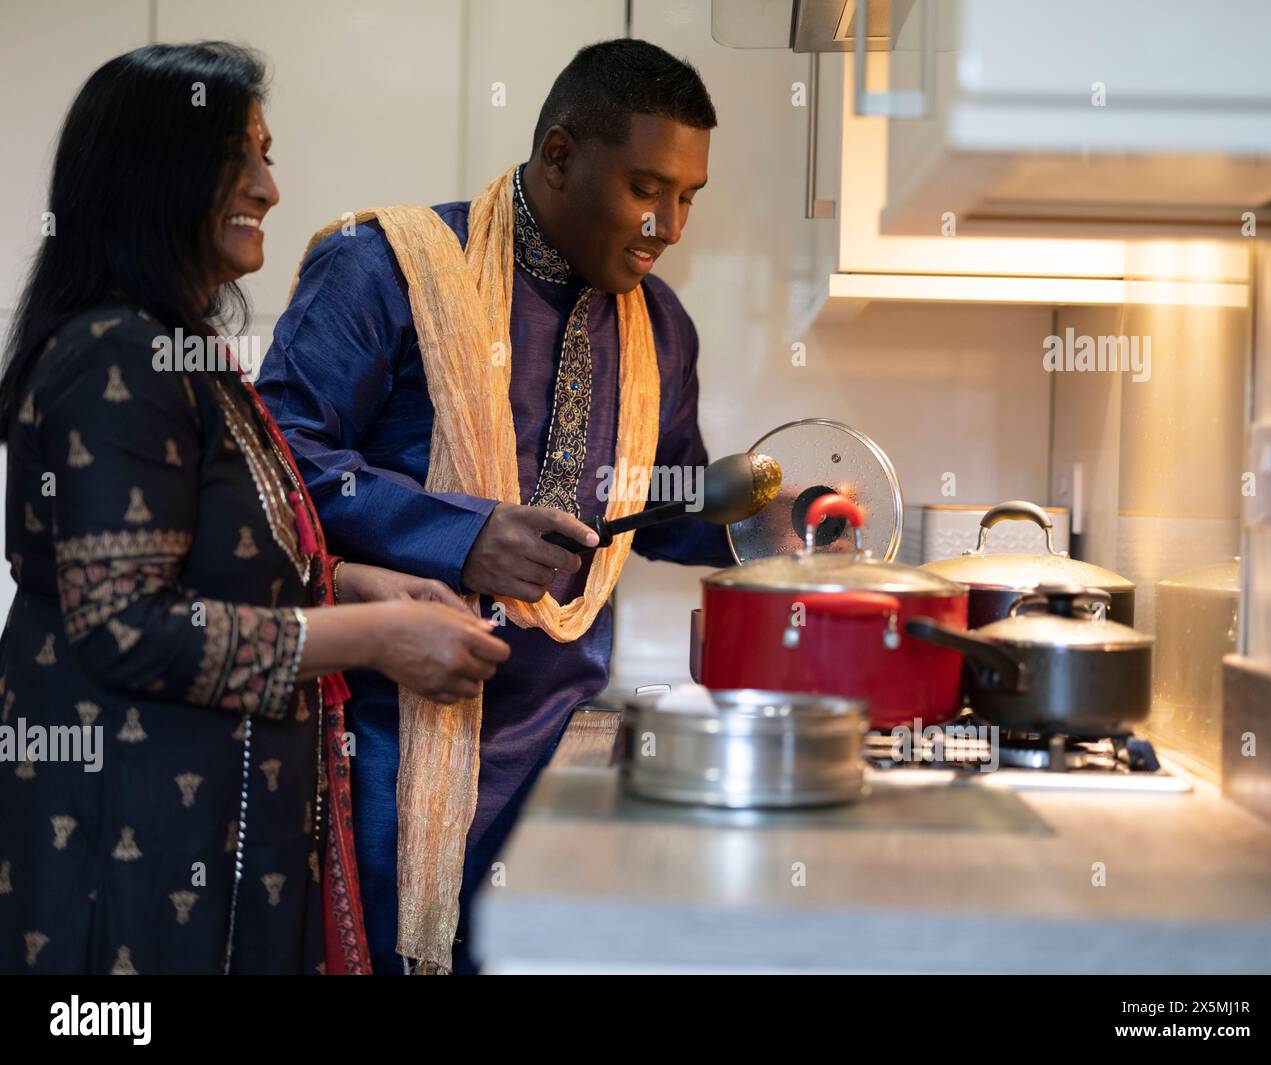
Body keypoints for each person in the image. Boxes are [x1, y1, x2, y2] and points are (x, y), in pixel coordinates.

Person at [0, 42, 508, 975]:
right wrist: (379, 638)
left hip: (197, 841)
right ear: (155, 177)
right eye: (242, 157)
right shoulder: (118, 356)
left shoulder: (176, 350)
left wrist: (363, 587)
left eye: (266, 156)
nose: (270, 187)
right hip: (133, 858)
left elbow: (223, 557)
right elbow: (127, 627)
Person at [257, 38, 732, 974]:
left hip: (562, 765)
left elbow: (665, 503)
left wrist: (765, 522)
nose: (668, 223)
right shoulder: (382, 266)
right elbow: (270, 464)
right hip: (382, 748)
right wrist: (461, 536)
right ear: (558, 156)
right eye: (647, 186)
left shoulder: (660, 322)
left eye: (687, 198)